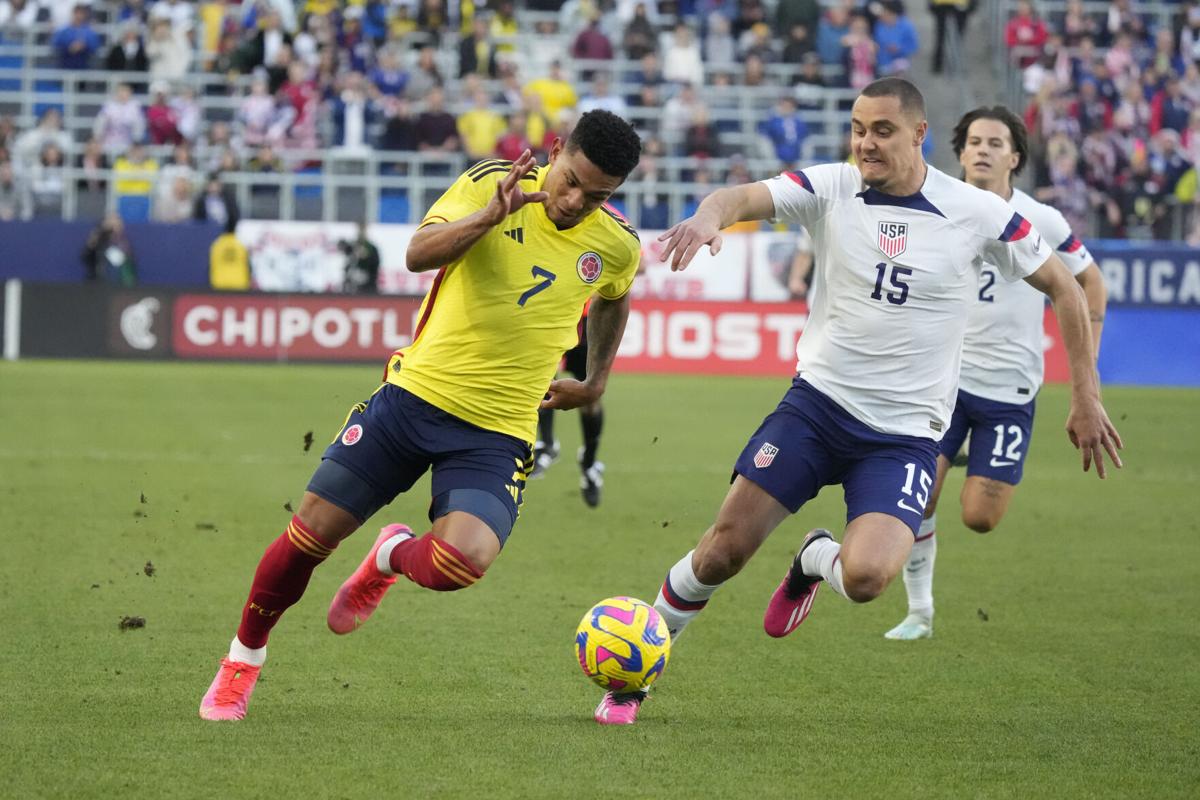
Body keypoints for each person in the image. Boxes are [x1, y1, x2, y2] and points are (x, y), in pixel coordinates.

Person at [591, 78, 1122, 726]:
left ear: (920, 135)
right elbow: (742, 195)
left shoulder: (978, 213)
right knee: (721, 552)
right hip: (816, 409)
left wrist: (1086, 396)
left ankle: (815, 558)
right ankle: (631, 682)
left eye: (882, 131)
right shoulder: (832, 186)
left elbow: (1068, 289)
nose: (865, 143)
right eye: (857, 128)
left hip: (903, 436)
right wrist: (709, 216)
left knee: (868, 579)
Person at [198, 110, 644, 722]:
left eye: (597, 197)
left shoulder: (617, 244)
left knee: (461, 563)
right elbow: (415, 254)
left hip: (497, 430)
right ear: (556, 150)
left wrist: (596, 381)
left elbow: (615, 299)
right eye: (570, 181)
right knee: (308, 538)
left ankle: (388, 557)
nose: (574, 202)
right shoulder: (493, 182)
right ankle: (240, 664)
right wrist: (491, 215)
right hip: (413, 401)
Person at [883, 105, 1108, 642]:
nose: (982, 149)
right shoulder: (933, 205)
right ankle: (920, 612)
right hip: (943, 384)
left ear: (1015, 157)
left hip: (1009, 390)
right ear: (959, 152)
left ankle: (966, 453)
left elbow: (1090, 284)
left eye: (995, 142)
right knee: (920, 498)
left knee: (980, 518)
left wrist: (1088, 371)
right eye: (974, 141)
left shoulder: (1042, 220)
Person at [527, 302, 607, 507]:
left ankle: (589, 462)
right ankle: (547, 444)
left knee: (589, 395)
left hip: (589, 316)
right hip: (554, 306)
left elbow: (639, 268)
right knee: (541, 379)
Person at [339, 221, 381, 294]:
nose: (361, 232)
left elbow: (376, 265)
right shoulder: (352, 245)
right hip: (352, 284)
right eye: (359, 229)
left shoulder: (371, 247)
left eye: (363, 229)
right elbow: (343, 248)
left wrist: (366, 257)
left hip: (368, 285)